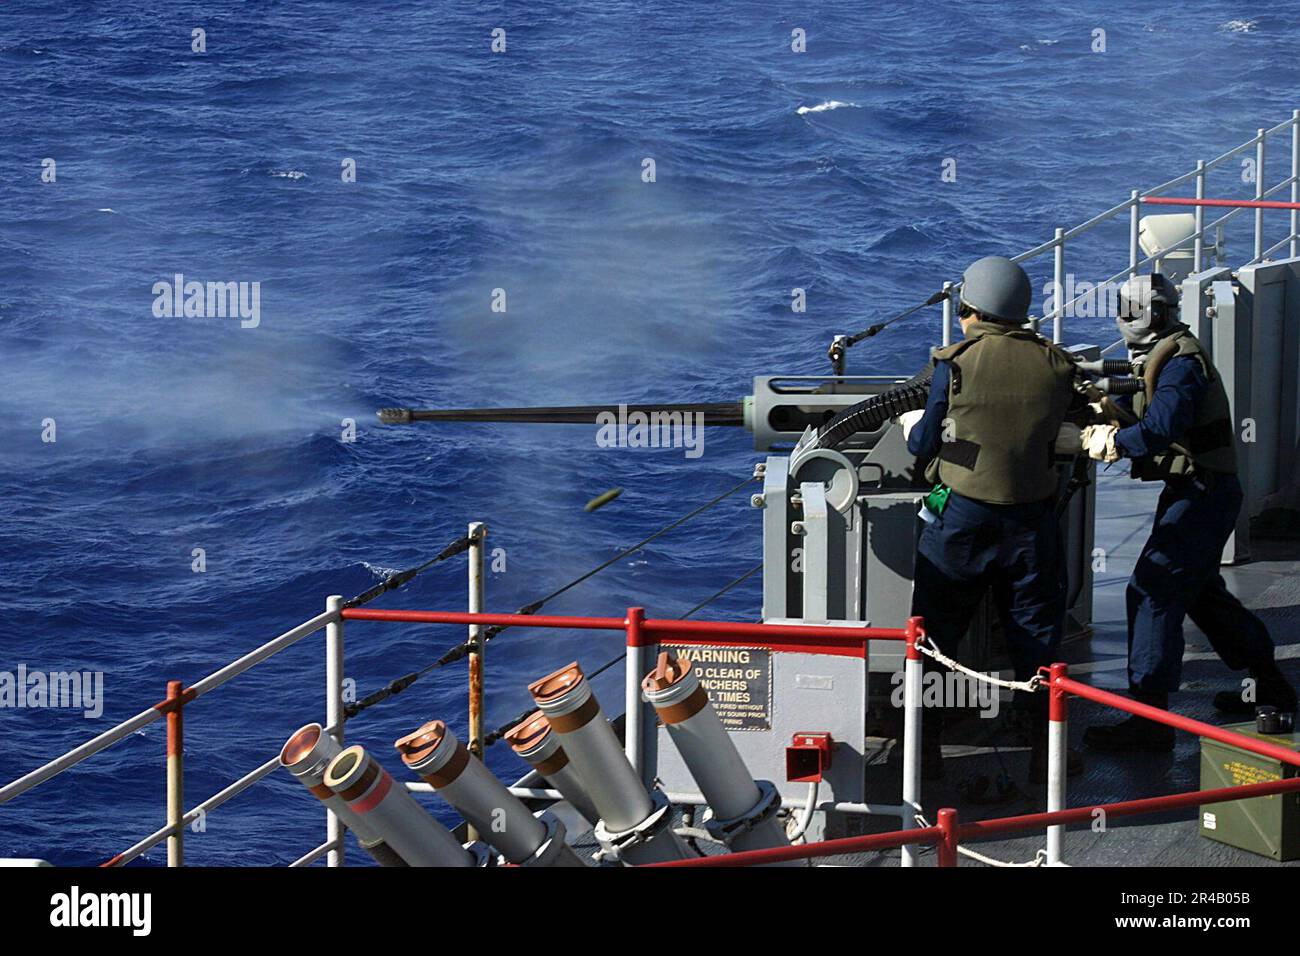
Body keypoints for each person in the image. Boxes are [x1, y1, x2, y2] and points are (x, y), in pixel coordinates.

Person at [1080, 273, 1297, 752]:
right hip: (1201, 489)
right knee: (1202, 595)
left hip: (1202, 493)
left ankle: (1150, 721)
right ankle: (1271, 686)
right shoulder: (1167, 352)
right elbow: (1139, 400)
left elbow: (1161, 426)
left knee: (1152, 590)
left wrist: (1115, 443)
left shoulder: (1178, 361)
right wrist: (1099, 406)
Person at [903, 255, 1082, 782]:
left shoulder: (954, 362)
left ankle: (925, 751)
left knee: (933, 638)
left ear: (972, 311)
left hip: (963, 522)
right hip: (1032, 524)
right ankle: (1044, 758)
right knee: (1038, 642)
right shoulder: (1056, 364)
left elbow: (922, 442)